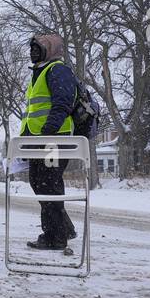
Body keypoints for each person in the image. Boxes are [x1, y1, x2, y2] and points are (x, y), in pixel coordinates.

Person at [21, 32, 87, 251]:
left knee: (48, 184)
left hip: (53, 140)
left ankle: (55, 237)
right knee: (39, 183)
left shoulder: (57, 70)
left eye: (36, 48)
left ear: (49, 50)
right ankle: (64, 228)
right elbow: (32, 113)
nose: (32, 52)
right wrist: (25, 141)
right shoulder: (38, 74)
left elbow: (62, 104)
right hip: (38, 140)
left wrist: (47, 133)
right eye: (31, 49)